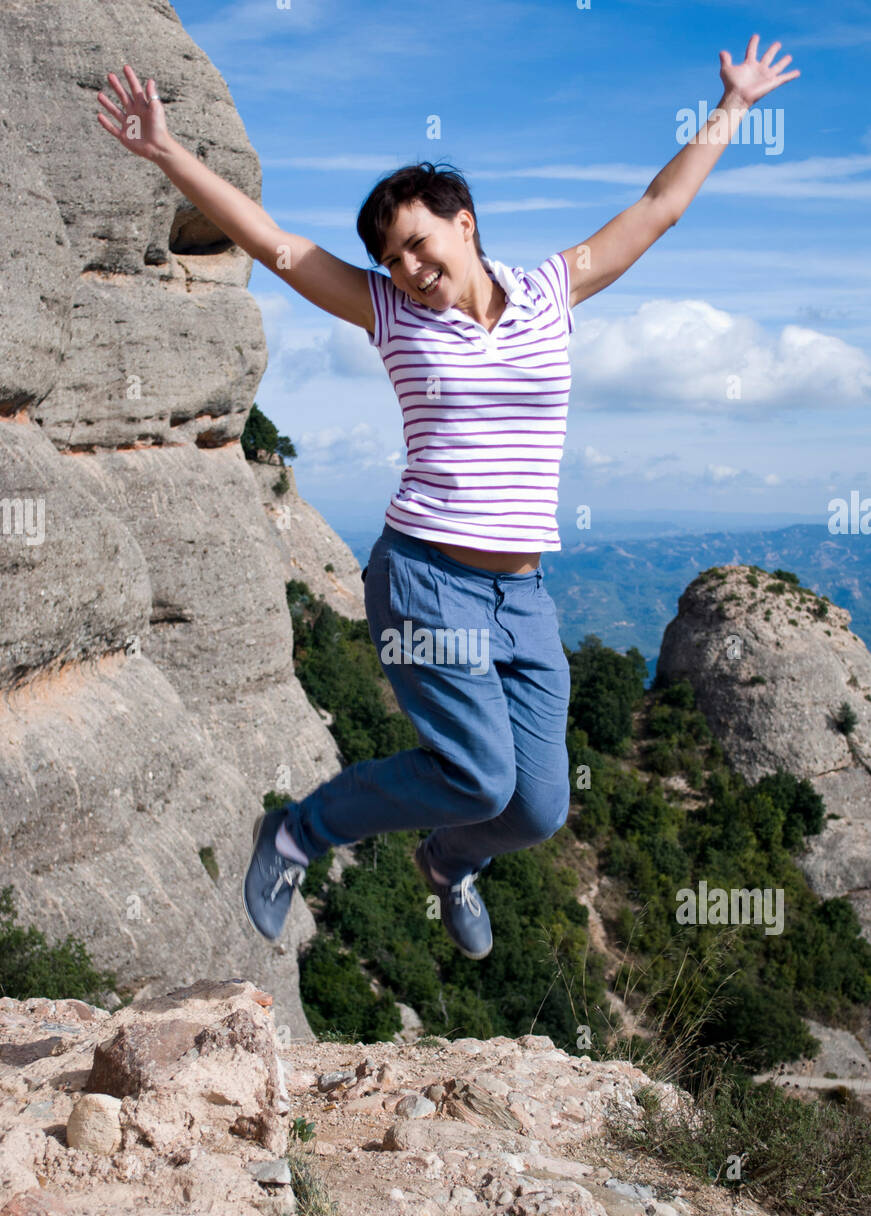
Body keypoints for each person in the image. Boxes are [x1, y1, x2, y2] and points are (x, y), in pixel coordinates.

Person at [97, 38, 799, 958]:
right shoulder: (388, 314)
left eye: (418, 242)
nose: (409, 268)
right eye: (391, 258)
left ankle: (449, 863)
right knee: (476, 774)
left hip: (524, 595)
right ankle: (297, 832)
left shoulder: (551, 290)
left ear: (463, 222)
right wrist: (165, 151)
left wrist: (734, 106)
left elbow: (659, 209)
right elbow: (275, 244)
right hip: (427, 578)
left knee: (539, 805)